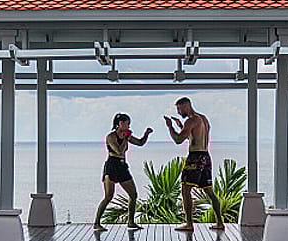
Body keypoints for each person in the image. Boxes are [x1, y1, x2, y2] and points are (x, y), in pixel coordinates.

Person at [164, 96, 224, 231]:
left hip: (195, 157)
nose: (179, 112)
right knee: (209, 191)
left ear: (186, 106)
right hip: (205, 156)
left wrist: (170, 127)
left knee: (185, 189)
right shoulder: (203, 119)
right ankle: (220, 222)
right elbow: (196, 138)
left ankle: (189, 224)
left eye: (179, 109)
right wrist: (182, 127)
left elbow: (178, 139)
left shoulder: (191, 121)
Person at [93, 113, 152, 231]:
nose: (129, 126)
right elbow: (119, 151)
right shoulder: (111, 136)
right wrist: (126, 138)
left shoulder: (126, 135)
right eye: (127, 124)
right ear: (120, 124)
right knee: (108, 196)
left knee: (133, 195)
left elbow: (140, 143)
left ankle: (131, 222)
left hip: (122, 166)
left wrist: (146, 134)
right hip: (111, 166)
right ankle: (97, 223)